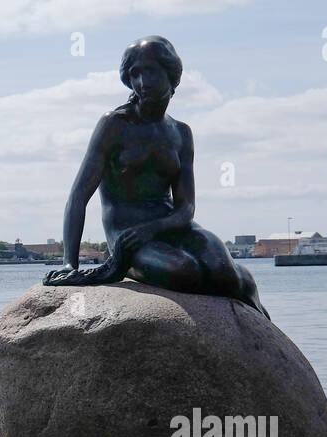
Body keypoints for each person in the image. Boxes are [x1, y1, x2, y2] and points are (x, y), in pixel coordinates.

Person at [43, 37, 267, 318]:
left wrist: (156, 228)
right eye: (134, 73)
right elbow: (77, 198)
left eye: (149, 71)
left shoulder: (181, 133)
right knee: (184, 271)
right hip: (128, 235)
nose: (141, 81)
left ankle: (252, 310)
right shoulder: (115, 125)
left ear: (170, 73)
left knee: (226, 273)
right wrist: (69, 264)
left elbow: (186, 207)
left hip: (171, 225)